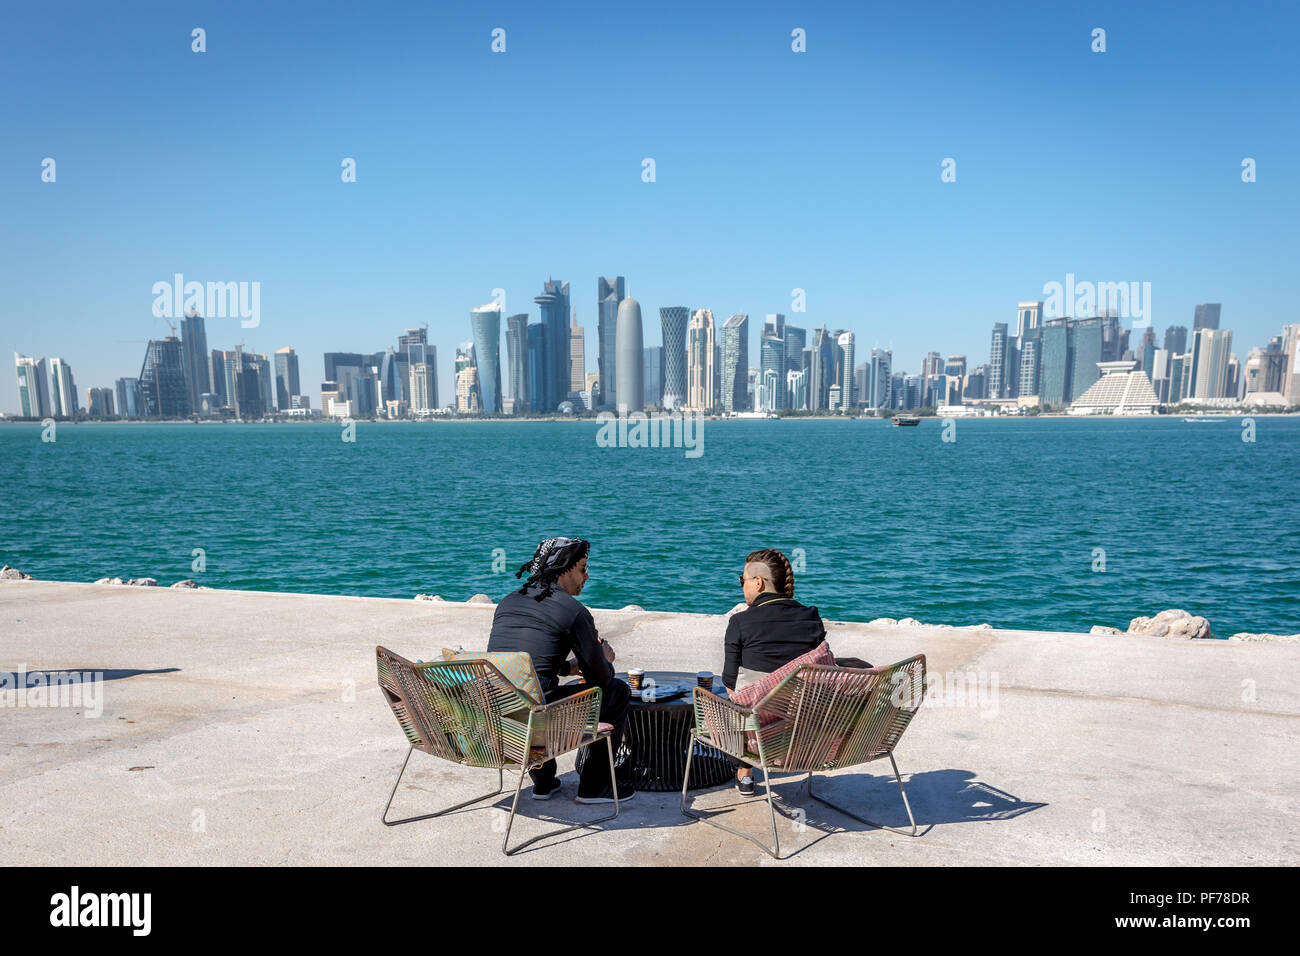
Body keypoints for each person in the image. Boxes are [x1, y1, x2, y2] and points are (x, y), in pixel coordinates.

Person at [487, 536, 634, 804]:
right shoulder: (574, 611)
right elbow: (600, 679)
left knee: (537, 692)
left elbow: (526, 663)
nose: (587, 576)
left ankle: (544, 782)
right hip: (539, 721)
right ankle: (596, 786)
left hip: (500, 716)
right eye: (583, 568)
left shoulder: (508, 602)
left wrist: (568, 667)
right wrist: (604, 658)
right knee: (617, 691)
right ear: (565, 568)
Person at [722, 548, 828, 796]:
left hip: (758, 739)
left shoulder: (739, 623)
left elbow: (731, 686)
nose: (742, 586)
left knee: (730, 697)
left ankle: (744, 771)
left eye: (742, 581)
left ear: (758, 583)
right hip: (807, 733)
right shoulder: (812, 618)